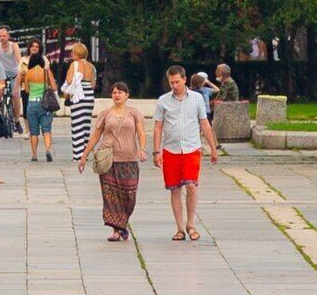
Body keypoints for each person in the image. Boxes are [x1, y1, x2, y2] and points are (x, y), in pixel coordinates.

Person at [154, 67, 212, 240]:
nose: (174, 85)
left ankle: (191, 224)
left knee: (192, 186)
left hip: (192, 148)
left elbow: (204, 124)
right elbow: (158, 127)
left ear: (185, 79)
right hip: (171, 149)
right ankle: (180, 227)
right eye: (171, 82)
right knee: (175, 189)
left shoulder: (197, 99)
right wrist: (156, 151)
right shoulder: (163, 101)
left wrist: (213, 147)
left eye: (177, 82)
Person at [93, 78, 147, 241]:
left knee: (129, 196)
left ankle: (123, 222)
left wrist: (142, 149)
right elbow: (96, 136)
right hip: (109, 160)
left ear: (127, 95)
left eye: (120, 92)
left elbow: (141, 133)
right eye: (114, 92)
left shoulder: (134, 113)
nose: (117, 95)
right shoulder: (106, 114)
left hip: (129, 159)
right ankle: (116, 230)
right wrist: (84, 156)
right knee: (110, 197)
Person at [62, 44, 99, 168]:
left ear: (77, 53)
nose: (71, 54)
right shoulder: (92, 66)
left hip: (78, 94)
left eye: (73, 52)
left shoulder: (74, 65)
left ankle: (77, 155)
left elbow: (68, 80)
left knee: (77, 125)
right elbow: (93, 84)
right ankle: (85, 154)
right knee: (86, 126)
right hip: (89, 95)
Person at [23, 51, 57, 162]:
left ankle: (34, 155)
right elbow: (54, 87)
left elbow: (27, 90)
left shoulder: (28, 73)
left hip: (32, 103)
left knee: (34, 131)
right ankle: (47, 150)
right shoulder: (46, 72)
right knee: (46, 129)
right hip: (44, 104)